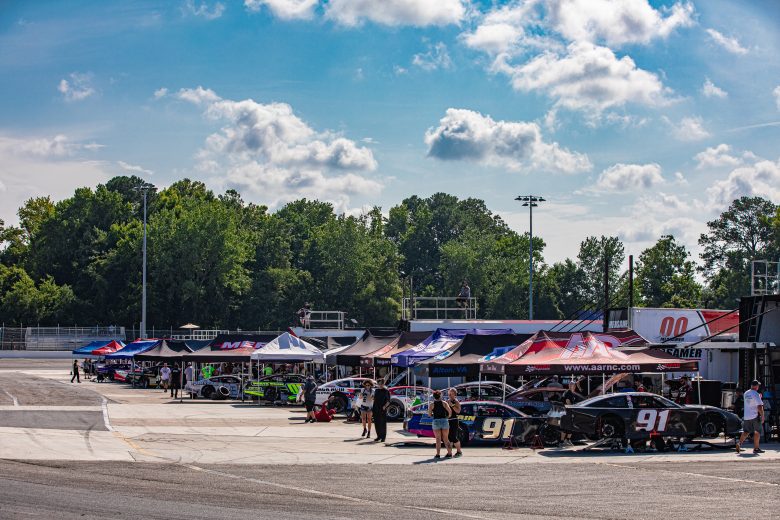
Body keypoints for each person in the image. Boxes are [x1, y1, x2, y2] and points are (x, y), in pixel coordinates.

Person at [736, 380, 765, 454]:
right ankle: (756, 448)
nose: (758, 386)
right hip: (754, 415)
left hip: (746, 416)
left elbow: (751, 402)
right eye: (758, 385)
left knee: (746, 431)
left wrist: (759, 397)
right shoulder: (755, 394)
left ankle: (739, 443)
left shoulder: (746, 393)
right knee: (757, 432)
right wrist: (762, 416)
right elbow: (759, 406)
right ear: (755, 386)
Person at [428, 390, 453, 459]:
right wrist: (447, 417)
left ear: (434, 397)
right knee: (446, 438)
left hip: (436, 421)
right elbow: (450, 412)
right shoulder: (444, 403)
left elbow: (429, 414)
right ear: (440, 396)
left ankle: (438, 454)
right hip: (444, 421)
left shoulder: (431, 404)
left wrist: (433, 414)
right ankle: (449, 453)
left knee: (438, 439)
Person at [559, 380, 583, 447]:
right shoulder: (568, 392)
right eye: (571, 385)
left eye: (573, 385)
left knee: (570, 427)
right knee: (565, 428)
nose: (573, 386)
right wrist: (572, 408)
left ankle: (568, 440)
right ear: (569, 386)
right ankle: (561, 442)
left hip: (568, 412)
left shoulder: (571, 393)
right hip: (566, 412)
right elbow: (567, 401)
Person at [372, 378, 391, 442]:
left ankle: (383, 437)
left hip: (382, 408)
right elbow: (374, 399)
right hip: (375, 408)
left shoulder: (386, 391)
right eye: (379, 384)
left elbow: (388, 401)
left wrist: (385, 406)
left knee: (382, 423)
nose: (380, 385)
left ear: (383, 384)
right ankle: (378, 436)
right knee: (376, 423)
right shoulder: (376, 390)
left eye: (381, 384)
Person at [447, 388, 463, 457]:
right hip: (448, 421)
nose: (450, 395)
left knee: (453, 437)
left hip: (454, 421)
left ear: (455, 394)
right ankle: (449, 453)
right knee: (448, 438)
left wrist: (452, 405)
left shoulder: (456, 401)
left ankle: (459, 451)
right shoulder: (447, 401)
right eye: (449, 393)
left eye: (451, 393)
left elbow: (458, 411)